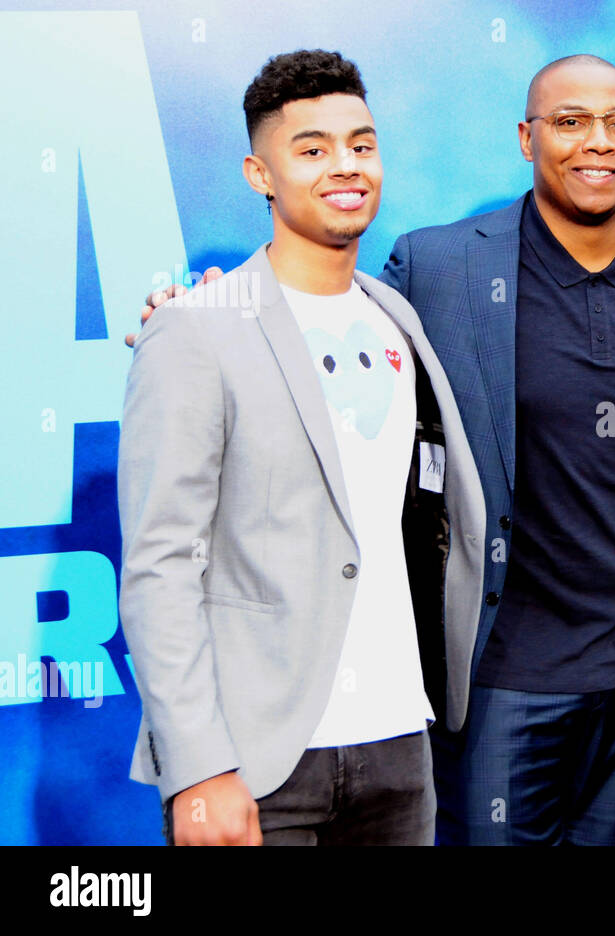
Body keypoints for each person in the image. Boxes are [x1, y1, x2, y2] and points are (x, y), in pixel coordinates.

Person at [135, 54, 615, 845]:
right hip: (495, 681)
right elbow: (298, 316)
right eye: (571, 122)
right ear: (526, 137)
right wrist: (196, 310)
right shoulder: (437, 268)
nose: (599, 144)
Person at [118, 50, 486, 845]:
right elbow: (159, 566)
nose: (345, 166)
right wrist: (197, 767)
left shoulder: (399, 317)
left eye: (362, 143)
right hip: (256, 757)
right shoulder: (196, 327)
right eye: (312, 149)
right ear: (261, 173)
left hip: (400, 746)